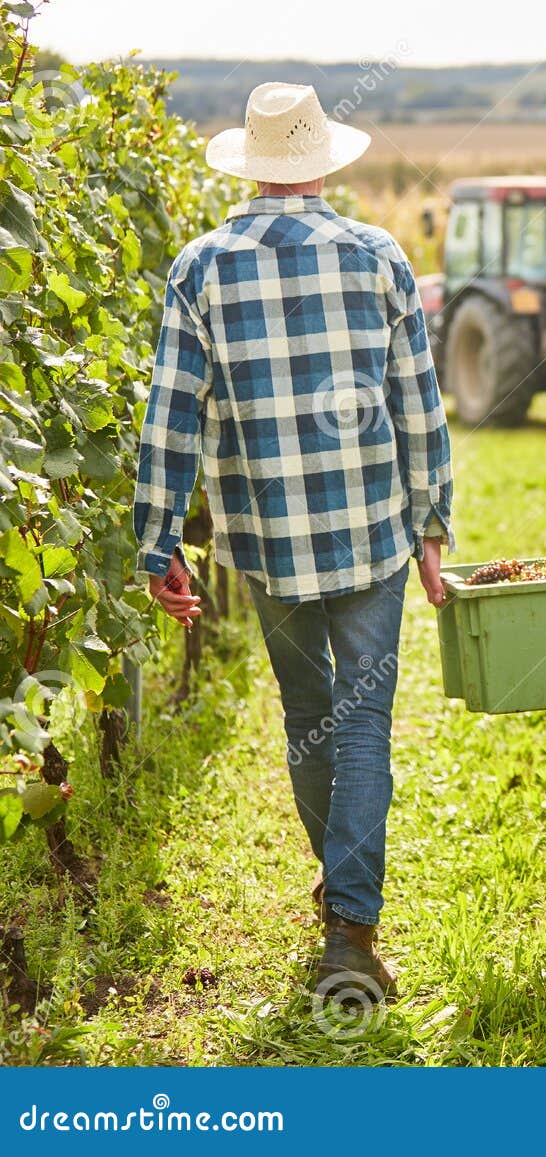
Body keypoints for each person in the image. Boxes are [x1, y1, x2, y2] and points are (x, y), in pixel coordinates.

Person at [133, 83, 453, 1002]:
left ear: (252, 165)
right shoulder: (380, 256)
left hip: (265, 542)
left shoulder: (200, 268)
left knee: (308, 714)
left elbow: (169, 421)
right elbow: (419, 408)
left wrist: (161, 544)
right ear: (319, 163)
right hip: (370, 533)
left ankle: (341, 893)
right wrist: (430, 523)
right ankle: (350, 928)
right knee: (364, 728)